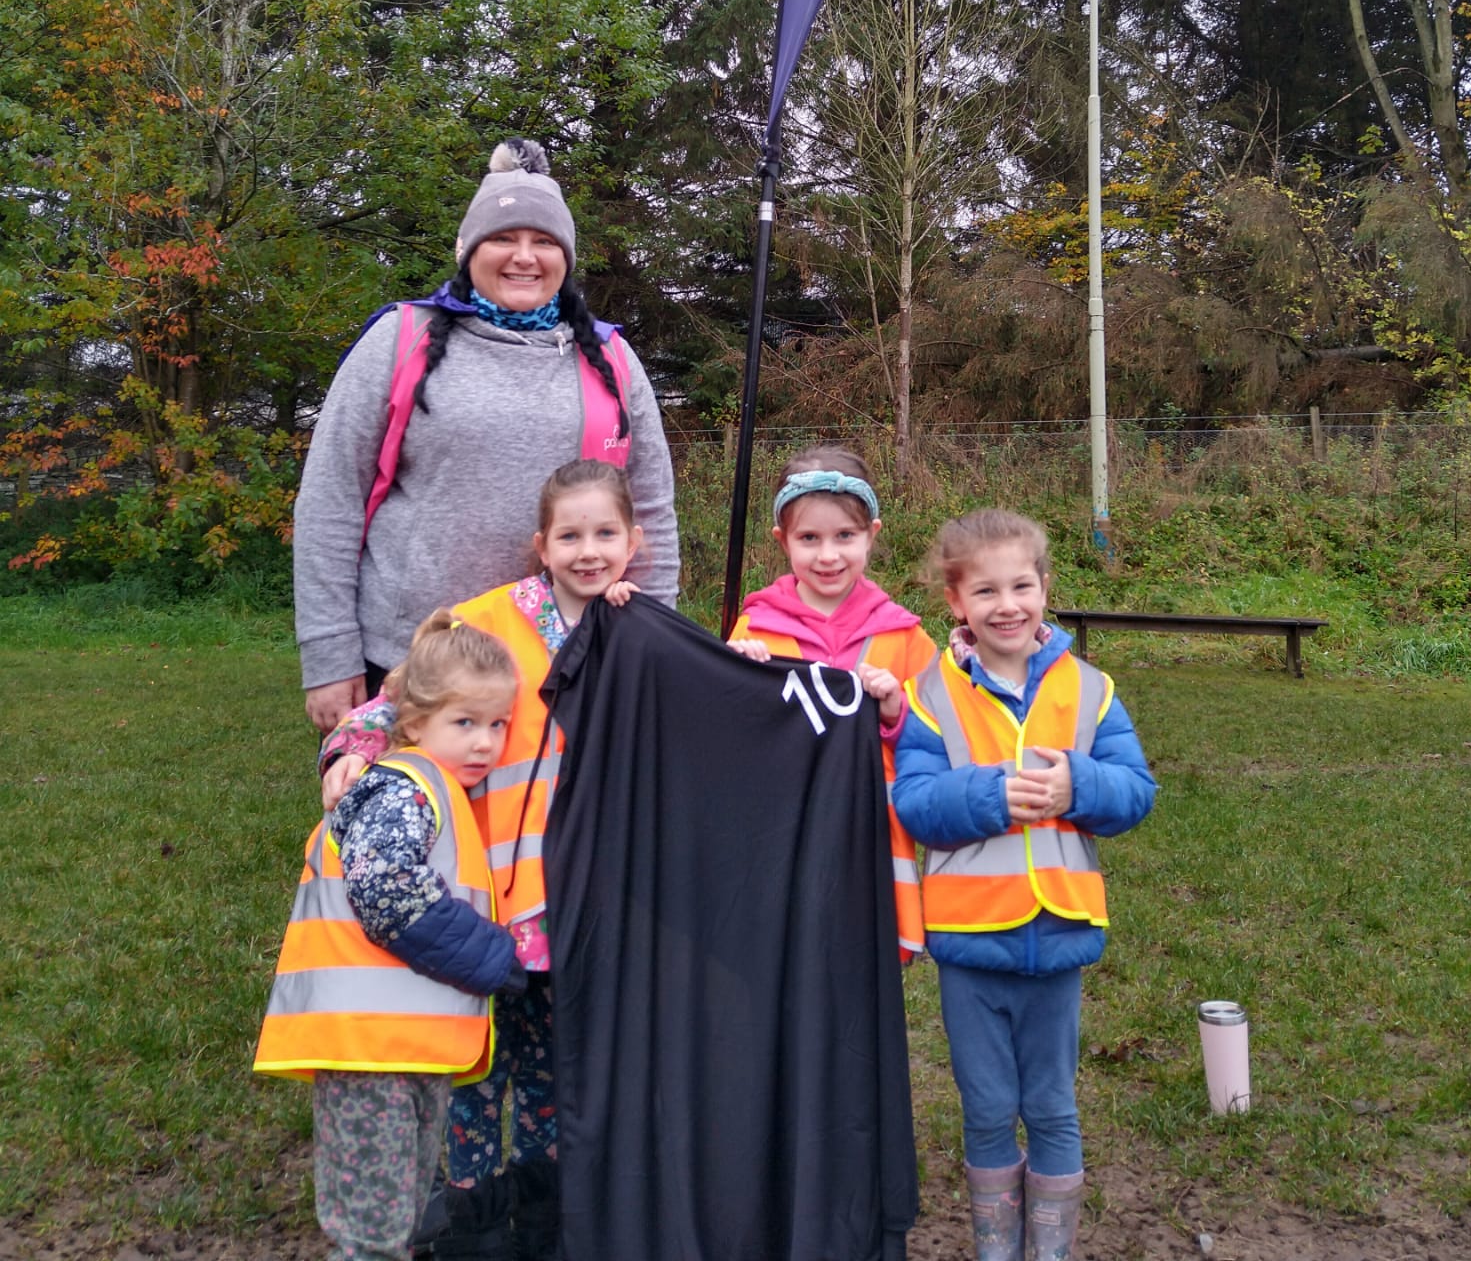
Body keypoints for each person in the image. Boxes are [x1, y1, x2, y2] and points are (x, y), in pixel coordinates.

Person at [318, 460, 644, 1261]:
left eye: (606, 534)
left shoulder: (641, 633)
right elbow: (397, 701)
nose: (589, 551)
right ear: (542, 545)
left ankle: (541, 1219)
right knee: (467, 1069)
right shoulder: (487, 621)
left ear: (634, 543)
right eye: (571, 534)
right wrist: (352, 748)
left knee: (553, 1073)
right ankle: (466, 1221)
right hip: (468, 908)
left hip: (570, 906)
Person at [294, 136, 679, 733]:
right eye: (503, 238)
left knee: (535, 827)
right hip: (413, 663)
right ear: (469, 250)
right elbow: (330, 499)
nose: (524, 256)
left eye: (544, 241)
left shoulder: (611, 359)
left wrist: (652, 641)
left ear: (566, 258)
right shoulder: (400, 341)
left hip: (567, 660)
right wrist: (328, 654)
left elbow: (649, 506)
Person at [892, 510, 1156, 1261]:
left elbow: (1136, 793)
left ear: (1045, 587)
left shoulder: (1091, 689)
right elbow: (912, 803)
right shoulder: (929, 695)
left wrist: (1080, 785)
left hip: (1060, 939)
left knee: (1051, 1107)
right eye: (986, 590)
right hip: (971, 946)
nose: (1007, 604)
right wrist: (987, 796)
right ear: (955, 602)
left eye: (1022, 585)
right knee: (985, 1110)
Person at [255, 612, 525, 1261]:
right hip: (365, 1047)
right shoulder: (402, 791)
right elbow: (386, 894)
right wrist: (494, 959)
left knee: (395, 1217)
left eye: (497, 725)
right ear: (413, 723)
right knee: (372, 1230)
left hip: (400, 1047)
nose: (485, 742)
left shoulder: (441, 794)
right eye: (465, 723)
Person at [728, 445, 936, 960]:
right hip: (782, 840)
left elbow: (940, 741)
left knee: (864, 976)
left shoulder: (906, 638)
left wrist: (893, 711)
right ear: (783, 541)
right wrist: (735, 684)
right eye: (809, 539)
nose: (828, 556)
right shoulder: (755, 630)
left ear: (872, 535)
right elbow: (725, 750)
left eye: (845, 536)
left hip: (870, 838)